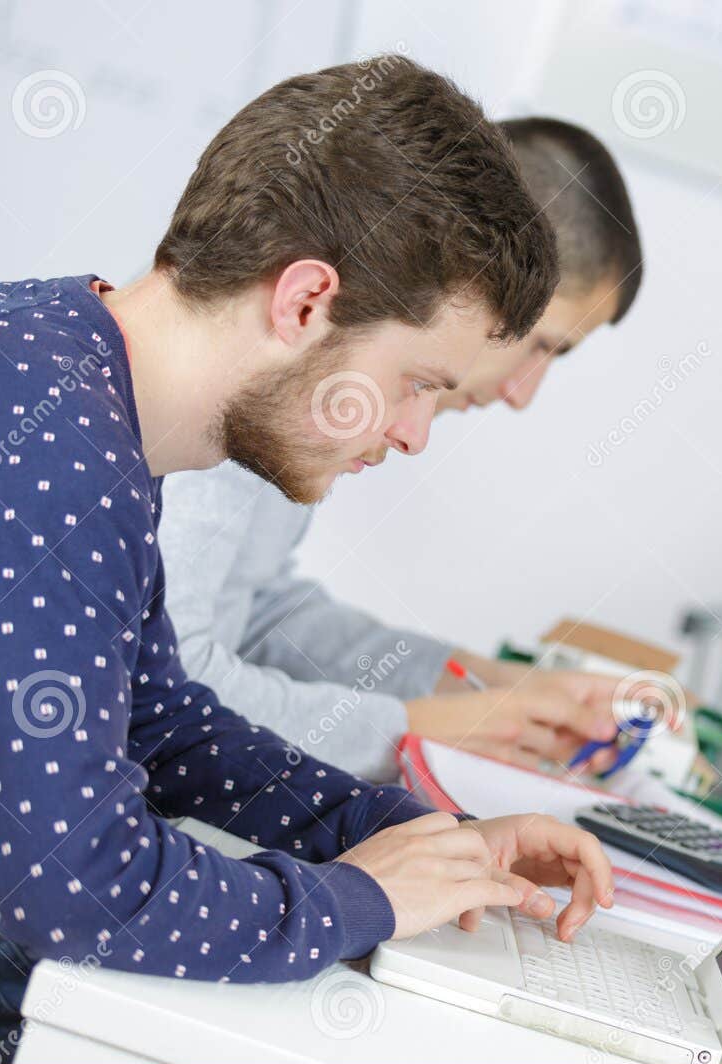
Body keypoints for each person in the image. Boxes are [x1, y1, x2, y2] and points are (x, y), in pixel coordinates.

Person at [0, 59, 619, 1060]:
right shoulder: (54, 455)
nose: (417, 433)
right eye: (418, 381)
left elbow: (160, 718)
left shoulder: (77, 377)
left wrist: (406, 828)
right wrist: (362, 895)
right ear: (302, 302)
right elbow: (76, 888)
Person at [156, 118, 645, 781]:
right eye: (541, 344)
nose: (523, 393)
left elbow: (254, 610)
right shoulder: (234, 386)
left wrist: (472, 687)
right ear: (484, 276)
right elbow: (167, 690)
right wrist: (410, 730)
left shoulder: (306, 393)